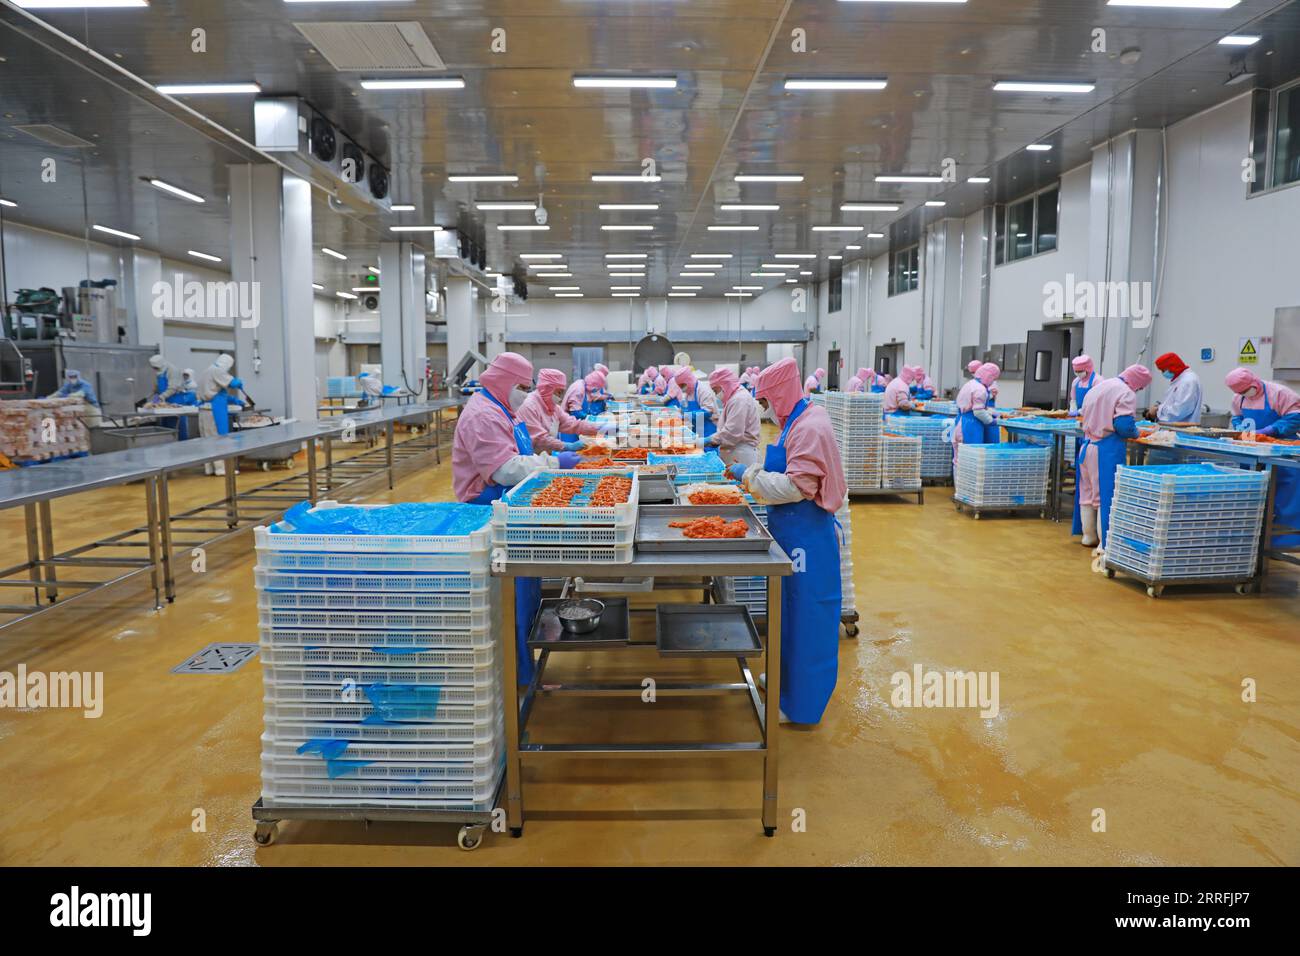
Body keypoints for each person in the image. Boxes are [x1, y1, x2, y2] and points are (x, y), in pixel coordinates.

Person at [728, 357, 847, 725]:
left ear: (778, 393)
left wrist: (749, 476)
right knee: (785, 615)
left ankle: (801, 706)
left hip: (807, 538)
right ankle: (783, 682)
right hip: (791, 533)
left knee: (806, 620)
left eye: (764, 402)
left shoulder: (809, 427)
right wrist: (755, 472)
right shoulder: (797, 419)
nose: (764, 410)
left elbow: (797, 486)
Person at [453, 353, 580, 686]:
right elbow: (503, 469)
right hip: (487, 510)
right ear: (504, 381)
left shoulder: (501, 410)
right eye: (523, 387)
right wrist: (555, 464)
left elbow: (520, 457)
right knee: (511, 597)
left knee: (527, 590)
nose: (527, 393)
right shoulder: (482, 414)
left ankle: (527, 664)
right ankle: (518, 677)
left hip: (511, 506)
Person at [1073, 364, 1152, 552]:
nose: (1139, 390)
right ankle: (1104, 543)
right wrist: (1137, 432)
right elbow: (1123, 425)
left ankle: (1088, 535)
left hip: (1086, 446)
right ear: (1137, 382)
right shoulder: (1125, 392)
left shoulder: (1099, 387)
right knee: (1105, 495)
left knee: (1087, 492)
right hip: (1105, 449)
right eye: (1140, 387)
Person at [1227, 367, 1300, 547]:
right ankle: (1254, 541)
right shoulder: (1239, 397)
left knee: (1285, 496)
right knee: (1256, 495)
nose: (1245, 394)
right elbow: (1237, 416)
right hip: (1253, 452)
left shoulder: (1280, 393)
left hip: (1282, 453)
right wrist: (1239, 426)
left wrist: (1271, 430)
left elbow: (1295, 418)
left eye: (1245, 390)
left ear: (1254, 382)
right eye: (1240, 392)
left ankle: (1285, 541)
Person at [520, 368, 614, 452]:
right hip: (531, 459)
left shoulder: (554, 408)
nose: (560, 397)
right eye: (559, 392)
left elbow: (573, 424)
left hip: (545, 456)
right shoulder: (529, 405)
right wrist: (566, 446)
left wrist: (599, 428)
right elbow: (539, 439)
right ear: (547, 388)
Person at [194, 354, 246, 474]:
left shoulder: (206, 371)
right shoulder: (216, 371)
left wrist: (234, 400)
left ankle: (210, 468)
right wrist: (239, 382)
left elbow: (215, 391)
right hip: (213, 411)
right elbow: (233, 383)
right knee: (219, 440)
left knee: (207, 441)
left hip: (204, 411)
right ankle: (222, 469)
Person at [704, 366, 760, 466]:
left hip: (741, 455)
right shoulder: (734, 396)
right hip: (735, 451)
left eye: (715, 391)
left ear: (724, 385)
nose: (716, 394)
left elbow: (732, 432)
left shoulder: (739, 399)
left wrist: (709, 440)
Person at [953, 362, 1000, 463]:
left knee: (961, 456)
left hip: (964, 420)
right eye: (993, 378)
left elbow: (979, 407)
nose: (993, 381)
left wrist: (993, 413)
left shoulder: (972, 384)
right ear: (989, 376)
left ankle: (959, 478)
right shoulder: (980, 389)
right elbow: (978, 412)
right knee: (972, 457)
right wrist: (992, 421)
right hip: (971, 424)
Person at [1149, 352, 1203, 424]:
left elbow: (1180, 410)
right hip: (1175, 428)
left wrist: (1158, 410)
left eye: (1163, 370)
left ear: (1172, 367)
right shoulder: (1180, 380)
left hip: (1182, 429)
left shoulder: (1188, 381)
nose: (1162, 373)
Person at [560, 369, 607, 439]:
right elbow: (575, 412)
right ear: (594, 384)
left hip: (576, 425)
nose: (596, 390)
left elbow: (592, 398)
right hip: (568, 427)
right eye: (596, 388)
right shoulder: (578, 389)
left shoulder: (586, 385)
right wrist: (593, 418)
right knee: (570, 448)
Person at [677, 366, 718, 439]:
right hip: (697, 428)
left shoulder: (702, 390)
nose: (682, 388)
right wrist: (680, 412)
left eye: (683, 385)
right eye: (680, 386)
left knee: (706, 449)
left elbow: (708, 411)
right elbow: (685, 408)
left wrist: (688, 416)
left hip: (708, 429)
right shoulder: (688, 392)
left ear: (688, 380)